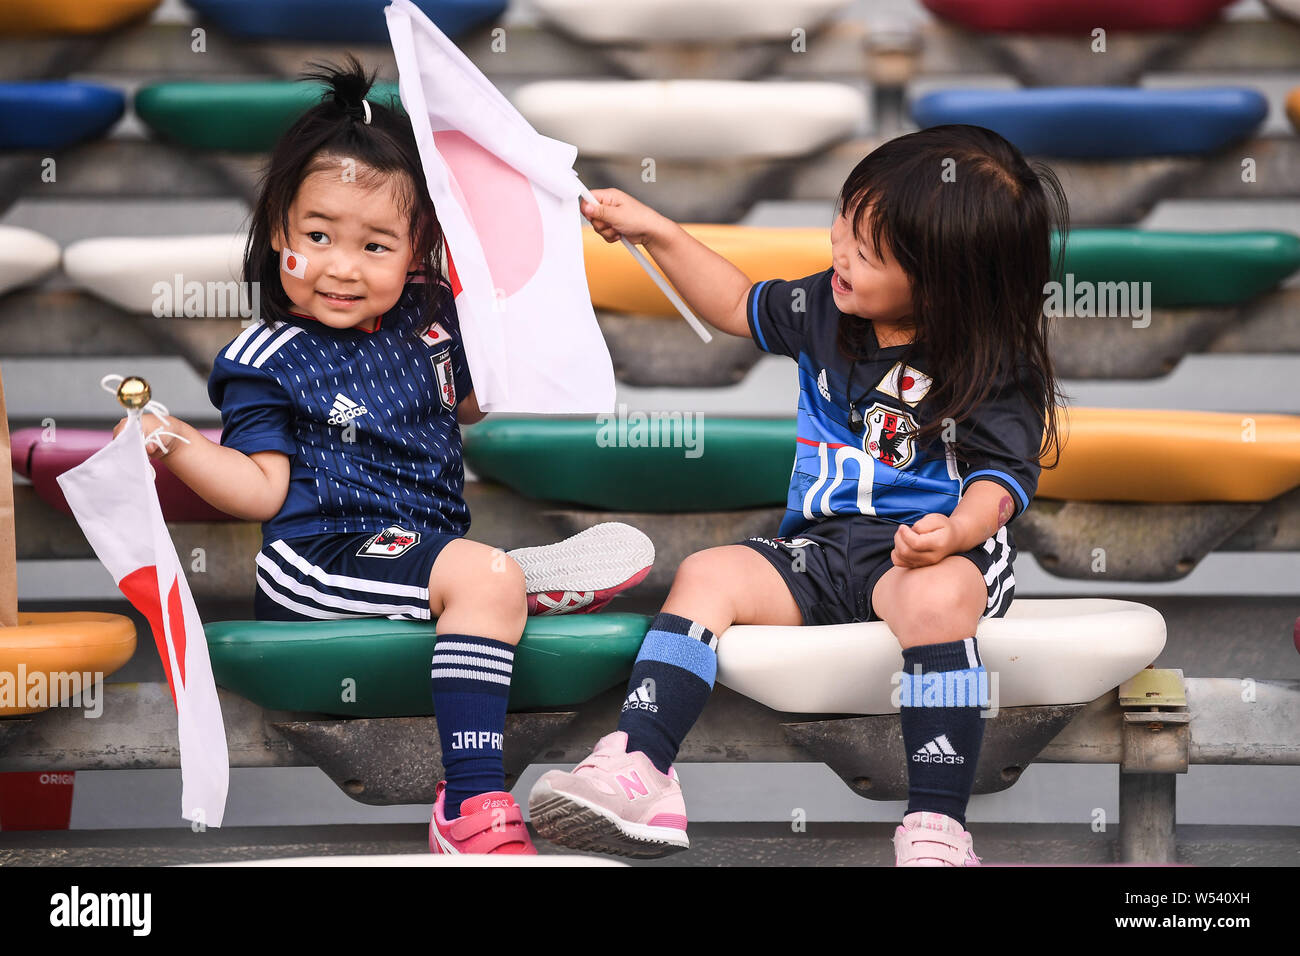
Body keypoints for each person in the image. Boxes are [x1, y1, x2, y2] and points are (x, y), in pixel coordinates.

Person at [113, 57, 651, 855]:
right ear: (278, 236)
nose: (341, 265)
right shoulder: (268, 354)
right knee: (482, 573)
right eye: (318, 236)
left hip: (418, 547)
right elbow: (262, 491)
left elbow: (469, 401)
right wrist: (179, 444)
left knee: (477, 573)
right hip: (318, 558)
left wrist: (521, 303)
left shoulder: (429, 315)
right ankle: (470, 802)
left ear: (417, 251)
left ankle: (490, 587)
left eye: (375, 245)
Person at [531, 124, 1068, 865]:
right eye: (842, 225)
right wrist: (655, 230)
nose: (838, 253)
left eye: (866, 251)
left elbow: (1000, 483)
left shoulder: (988, 361)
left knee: (937, 599)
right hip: (818, 552)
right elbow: (735, 303)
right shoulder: (825, 307)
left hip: (930, 556)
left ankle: (937, 825)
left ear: (946, 281)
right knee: (707, 573)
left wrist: (953, 532)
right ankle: (642, 765)